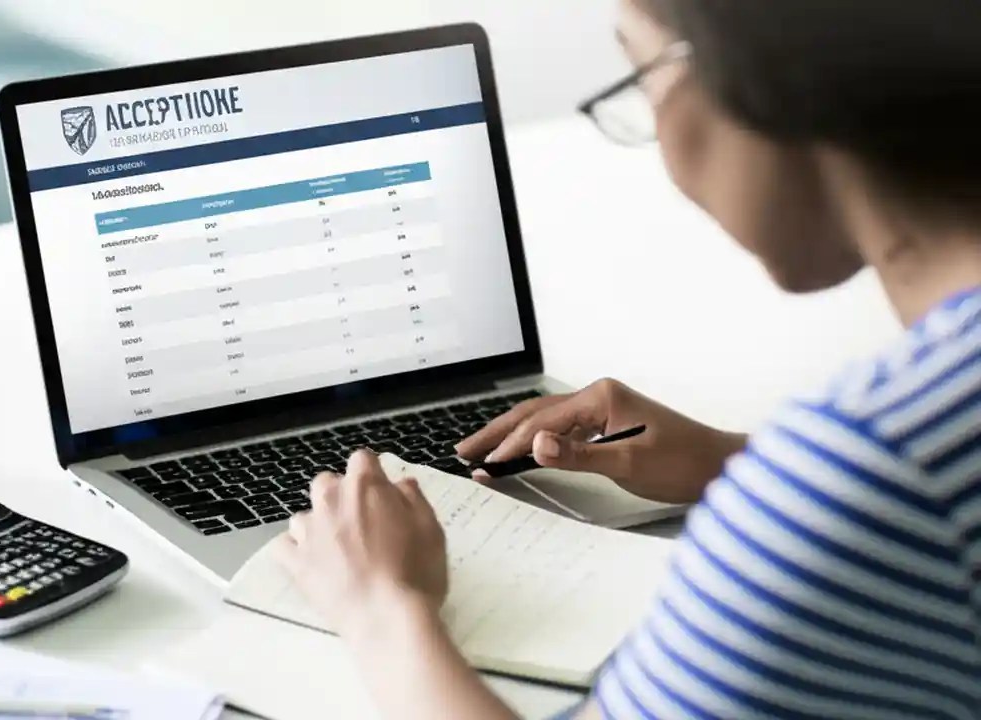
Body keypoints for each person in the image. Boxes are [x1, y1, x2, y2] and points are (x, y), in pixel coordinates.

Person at [271, 0, 981, 717]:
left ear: (766, 78)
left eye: (644, 75)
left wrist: (383, 612)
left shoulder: (871, 467)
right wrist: (738, 462)